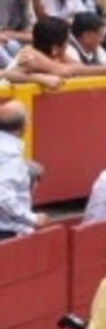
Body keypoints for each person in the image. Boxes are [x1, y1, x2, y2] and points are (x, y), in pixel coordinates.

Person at [0, 100, 47, 240]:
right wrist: (32, 218)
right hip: (5, 231)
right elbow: (2, 195)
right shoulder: (11, 157)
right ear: (23, 128)